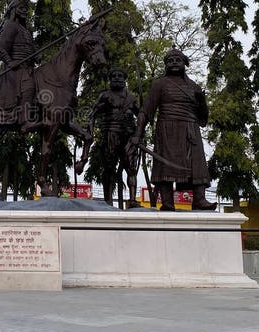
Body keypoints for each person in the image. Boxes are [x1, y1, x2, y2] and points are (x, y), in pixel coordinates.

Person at [128, 47, 216, 211]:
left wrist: (201, 101)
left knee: (197, 165)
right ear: (166, 65)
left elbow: (203, 119)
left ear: (184, 63)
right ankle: (167, 202)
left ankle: (199, 199)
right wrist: (137, 134)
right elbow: (146, 111)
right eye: (170, 60)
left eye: (177, 60)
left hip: (191, 130)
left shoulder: (194, 87)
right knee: (165, 167)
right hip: (167, 129)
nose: (174, 63)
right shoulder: (160, 84)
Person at [76, 67, 140, 208]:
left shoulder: (131, 98)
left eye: (120, 76)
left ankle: (133, 200)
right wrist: (90, 133)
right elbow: (92, 115)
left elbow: (140, 116)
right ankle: (107, 200)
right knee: (108, 168)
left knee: (131, 168)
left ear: (125, 79)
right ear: (110, 80)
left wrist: (138, 134)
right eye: (114, 76)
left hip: (128, 137)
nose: (117, 78)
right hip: (110, 135)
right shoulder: (105, 96)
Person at [0, 0, 37, 127]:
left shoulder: (25, 31)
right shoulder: (11, 25)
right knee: (28, 85)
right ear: (14, 10)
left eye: (26, 9)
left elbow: (29, 49)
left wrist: (36, 55)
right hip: (15, 69)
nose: (25, 11)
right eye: (22, 8)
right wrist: (10, 61)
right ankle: (25, 119)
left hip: (27, 67)